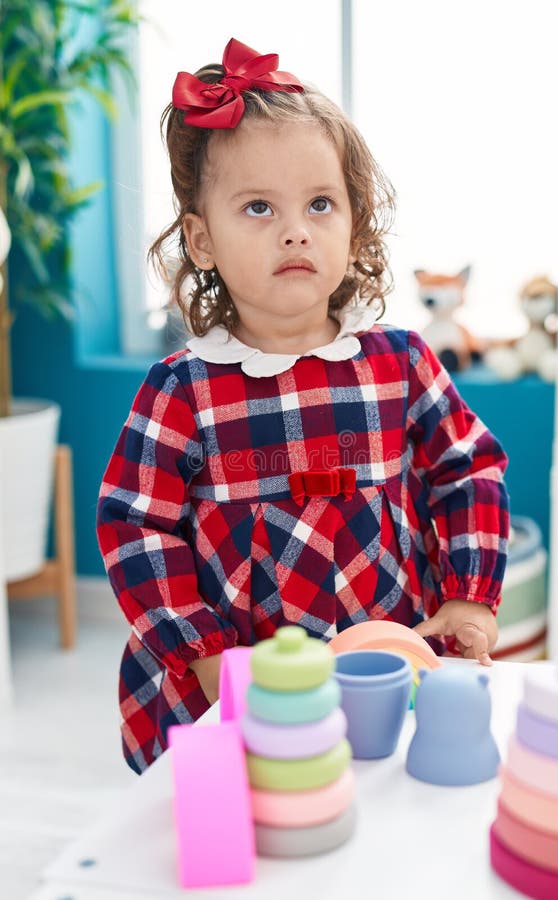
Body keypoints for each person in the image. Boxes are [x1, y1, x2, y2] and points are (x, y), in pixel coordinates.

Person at [97, 37, 509, 774]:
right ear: (201, 240)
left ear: (354, 227)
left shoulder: (400, 363)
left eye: (321, 204)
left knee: (376, 814)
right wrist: (202, 655)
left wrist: (472, 596)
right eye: (258, 206)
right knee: (246, 843)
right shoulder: (183, 389)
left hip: (385, 670)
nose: (296, 229)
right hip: (235, 688)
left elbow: (468, 469)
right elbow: (134, 526)